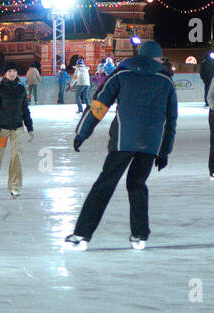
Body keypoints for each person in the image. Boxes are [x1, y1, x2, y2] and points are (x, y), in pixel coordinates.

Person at [65, 40, 178, 251]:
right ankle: (140, 234)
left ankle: (82, 234)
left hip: (122, 141)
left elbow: (99, 105)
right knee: (136, 185)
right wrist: (164, 151)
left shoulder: (121, 74)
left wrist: (83, 132)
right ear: (157, 58)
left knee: (104, 185)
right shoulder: (166, 81)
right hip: (150, 144)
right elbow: (171, 120)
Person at [0, 63, 34, 198]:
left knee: (17, 157)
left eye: (14, 71)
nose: (12, 73)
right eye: (9, 71)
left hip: (18, 129)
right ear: (5, 74)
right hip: (2, 129)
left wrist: (30, 128)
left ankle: (15, 186)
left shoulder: (21, 89)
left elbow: (25, 110)